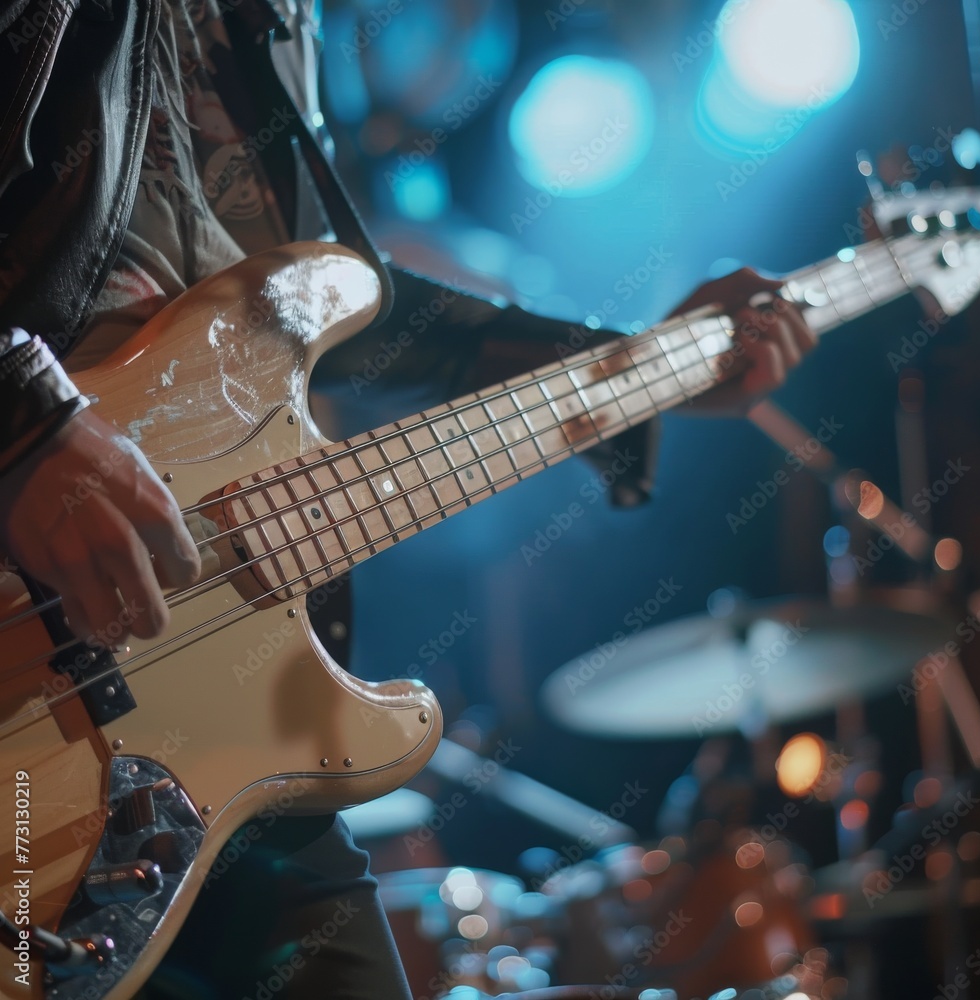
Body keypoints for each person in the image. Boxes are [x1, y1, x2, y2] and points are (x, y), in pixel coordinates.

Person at [0, 1, 814, 996]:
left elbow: (311, 302)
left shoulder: (273, 21)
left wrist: (633, 363)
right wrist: (28, 421)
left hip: (194, 715)